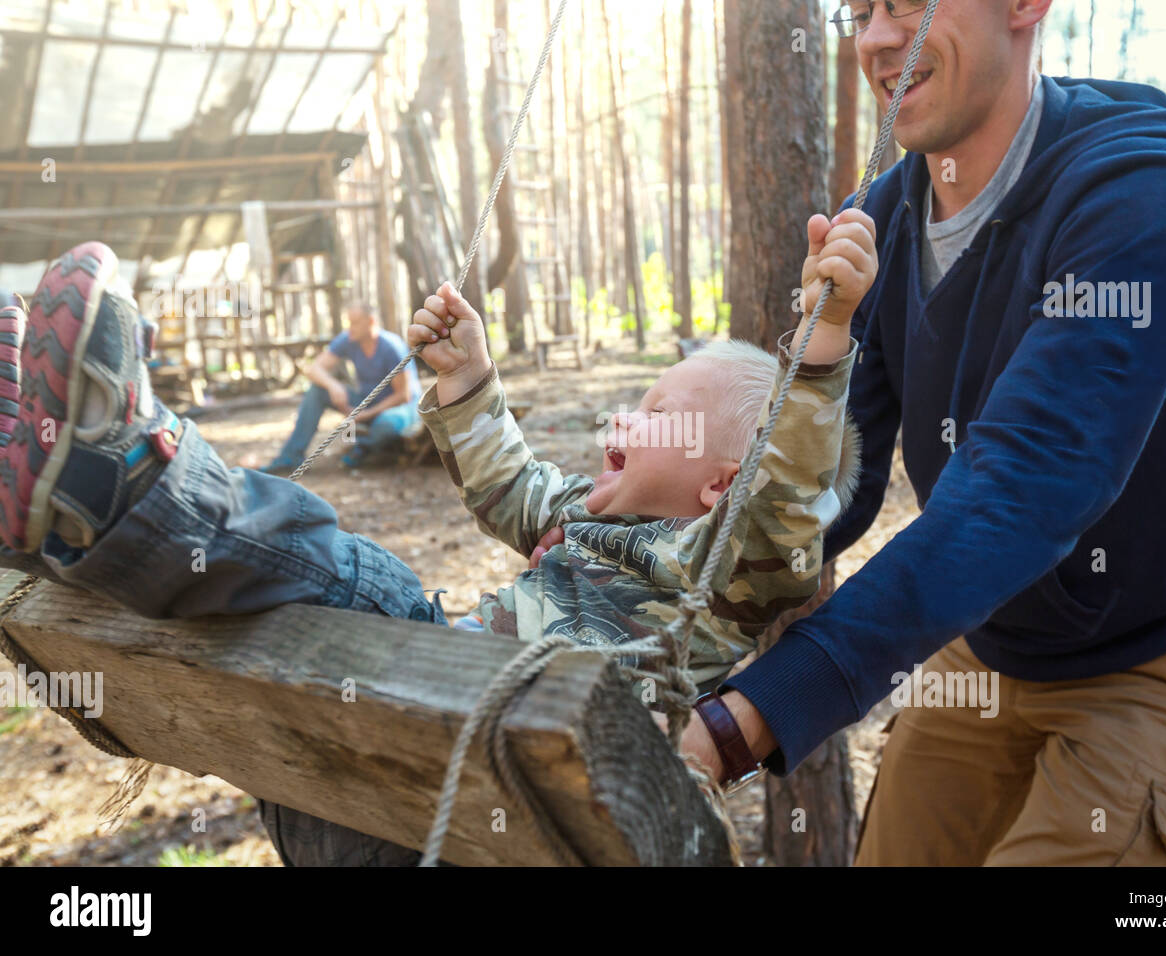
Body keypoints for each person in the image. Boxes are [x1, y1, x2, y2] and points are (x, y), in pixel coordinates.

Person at [652, 0, 1166, 866]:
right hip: (998, 633)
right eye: (861, 10)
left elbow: (1024, 488)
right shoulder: (878, 216)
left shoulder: (1144, 194)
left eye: (909, 3)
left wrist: (741, 724)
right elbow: (831, 494)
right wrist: (641, 576)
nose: (880, 39)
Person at [0, 226, 873, 864]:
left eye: (654, 412)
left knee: (369, 590)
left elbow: (784, 505)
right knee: (296, 608)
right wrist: (469, 381)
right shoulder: (583, 514)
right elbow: (513, 485)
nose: (624, 417)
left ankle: (122, 476)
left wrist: (822, 346)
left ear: (721, 486)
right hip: (358, 776)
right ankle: (51, 513)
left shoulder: (714, 574)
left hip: (480, 800)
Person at [261, 301, 420, 474]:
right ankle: (290, 456)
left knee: (386, 425)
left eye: (355, 322)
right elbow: (314, 369)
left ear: (371, 322)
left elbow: (403, 396)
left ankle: (361, 449)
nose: (350, 328)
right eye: (348, 322)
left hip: (399, 408)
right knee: (317, 391)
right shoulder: (349, 339)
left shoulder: (391, 346)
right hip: (366, 402)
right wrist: (333, 385)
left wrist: (366, 414)